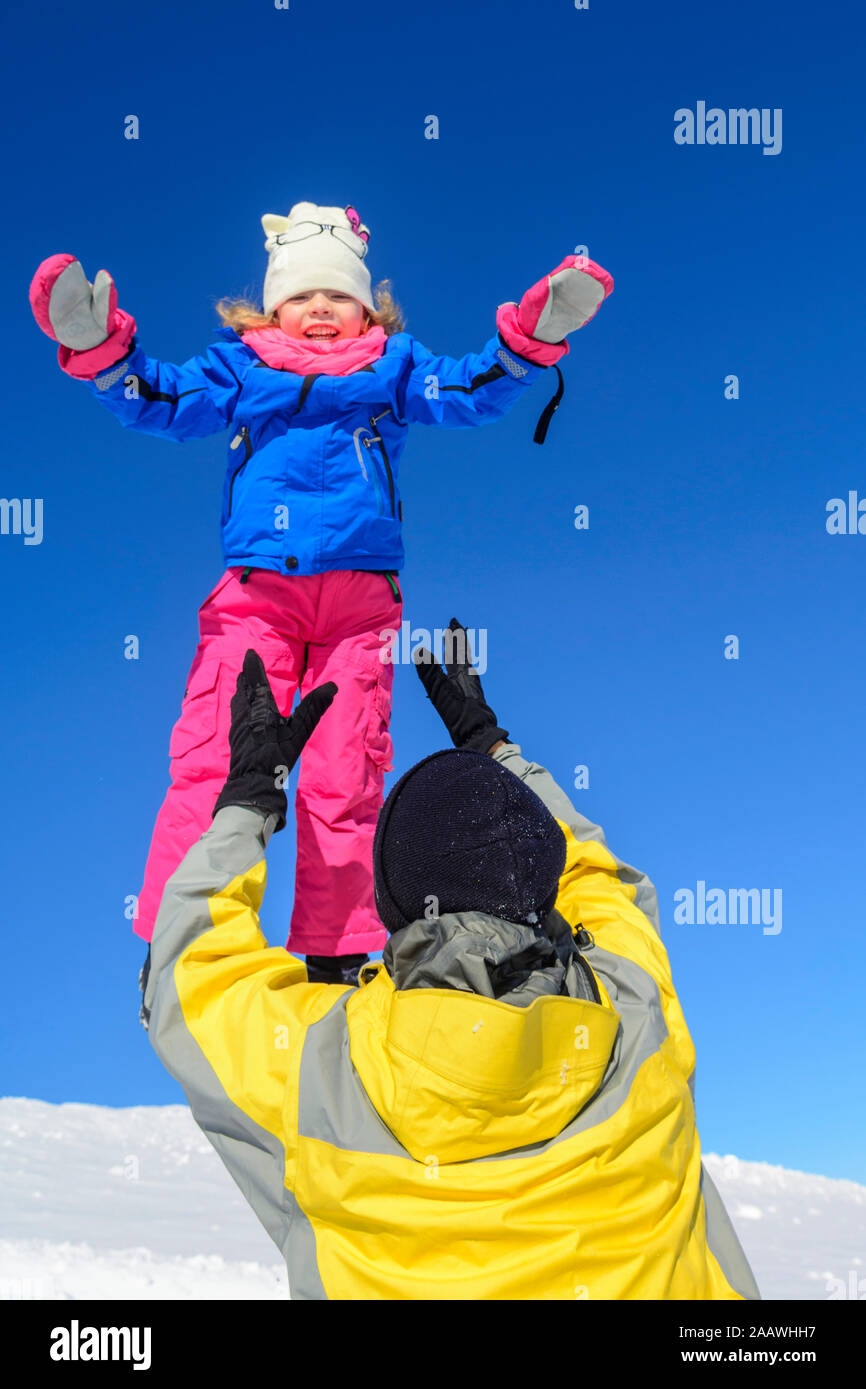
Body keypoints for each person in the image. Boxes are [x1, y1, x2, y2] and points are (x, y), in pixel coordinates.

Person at [28, 203, 613, 982]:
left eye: (339, 296)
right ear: (272, 307)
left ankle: (337, 959)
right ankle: (179, 943)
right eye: (302, 296)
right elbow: (157, 399)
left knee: (346, 779)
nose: (321, 310)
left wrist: (526, 343)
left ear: (367, 306)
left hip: (360, 608)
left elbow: (467, 388)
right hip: (257, 598)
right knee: (215, 761)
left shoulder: (393, 367)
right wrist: (99, 349)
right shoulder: (239, 368)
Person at [140, 622, 761, 1301]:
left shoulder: (317, 1068)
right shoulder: (634, 1004)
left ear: (392, 908)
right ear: (543, 879)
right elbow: (597, 871)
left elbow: (185, 965)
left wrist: (252, 795)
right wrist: (490, 742)